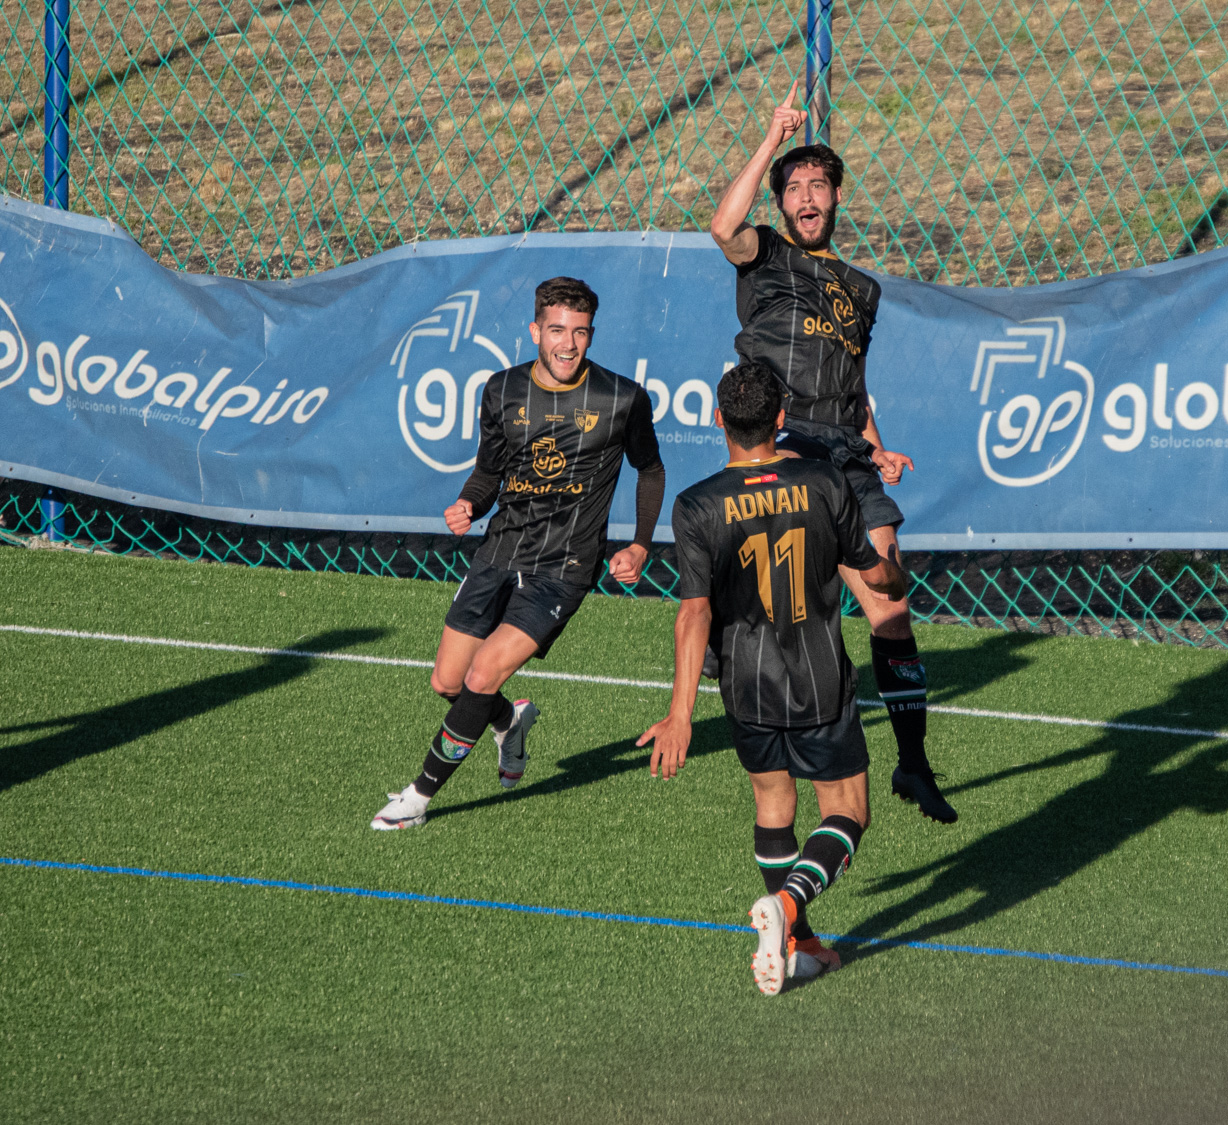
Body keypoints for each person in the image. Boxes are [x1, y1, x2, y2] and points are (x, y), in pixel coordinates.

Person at [708, 83, 955, 824]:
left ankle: (912, 762)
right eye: (795, 187)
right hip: (778, 448)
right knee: (771, 606)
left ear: (838, 194)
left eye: (819, 184)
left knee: (890, 601)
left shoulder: (862, 288)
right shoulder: (769, 257)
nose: (807, 196)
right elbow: (723, 225)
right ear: (781, 204)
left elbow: (856, 383)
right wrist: (772, 138)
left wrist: (878, 450)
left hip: (846, 452)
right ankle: (738, 671)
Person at [638, 362, 908, 995]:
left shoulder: (697, 503)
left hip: (746, 684)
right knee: (847, 812)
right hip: (818, 679)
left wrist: (680, 714)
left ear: (716, 419)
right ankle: (788, 910)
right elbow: (874, 573)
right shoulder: (822, 482)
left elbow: (694, 613)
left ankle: (801, 941)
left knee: (773, 805)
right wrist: (894, 577)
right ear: (782, 420)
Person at [373, 277, 665, 830]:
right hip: (499, 550)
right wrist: (468, 503)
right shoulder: (501, 389)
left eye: (579, 333)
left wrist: (642, 544)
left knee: (482, 677)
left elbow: (650, 469)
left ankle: (417, 798)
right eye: (557, 330)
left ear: (591, 335)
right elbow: (489, 471)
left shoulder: (621, 398)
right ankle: (511, 721)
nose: (568, 344)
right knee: (449, 683)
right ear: (536, 330)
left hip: (564, 566)